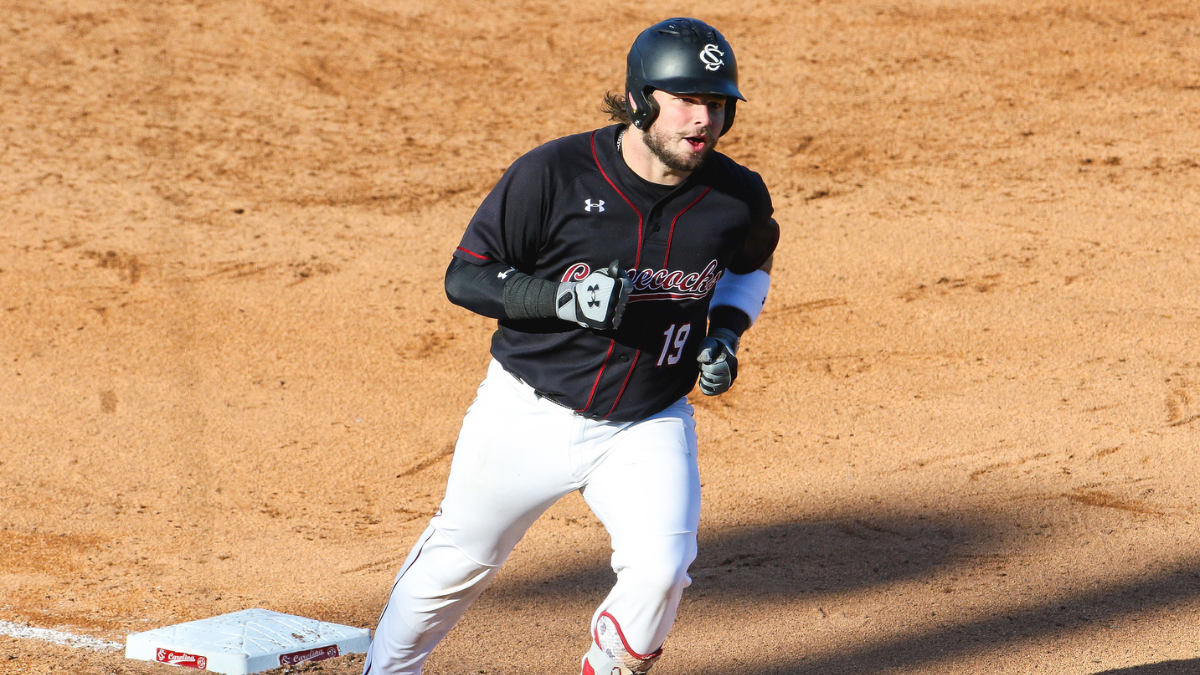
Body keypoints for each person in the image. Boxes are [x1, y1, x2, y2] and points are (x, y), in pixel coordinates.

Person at [364, 17, 778, 675]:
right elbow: (467, 276)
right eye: (686, 99)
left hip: (648, 418)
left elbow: (749, 266)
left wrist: (726, 333)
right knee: (456, 566)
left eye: (718, 103)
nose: (705, 118)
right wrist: (562, 299)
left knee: (663, 570)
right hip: (527, 411)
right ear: (640, 100)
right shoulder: (554, 174)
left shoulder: (735, 196)